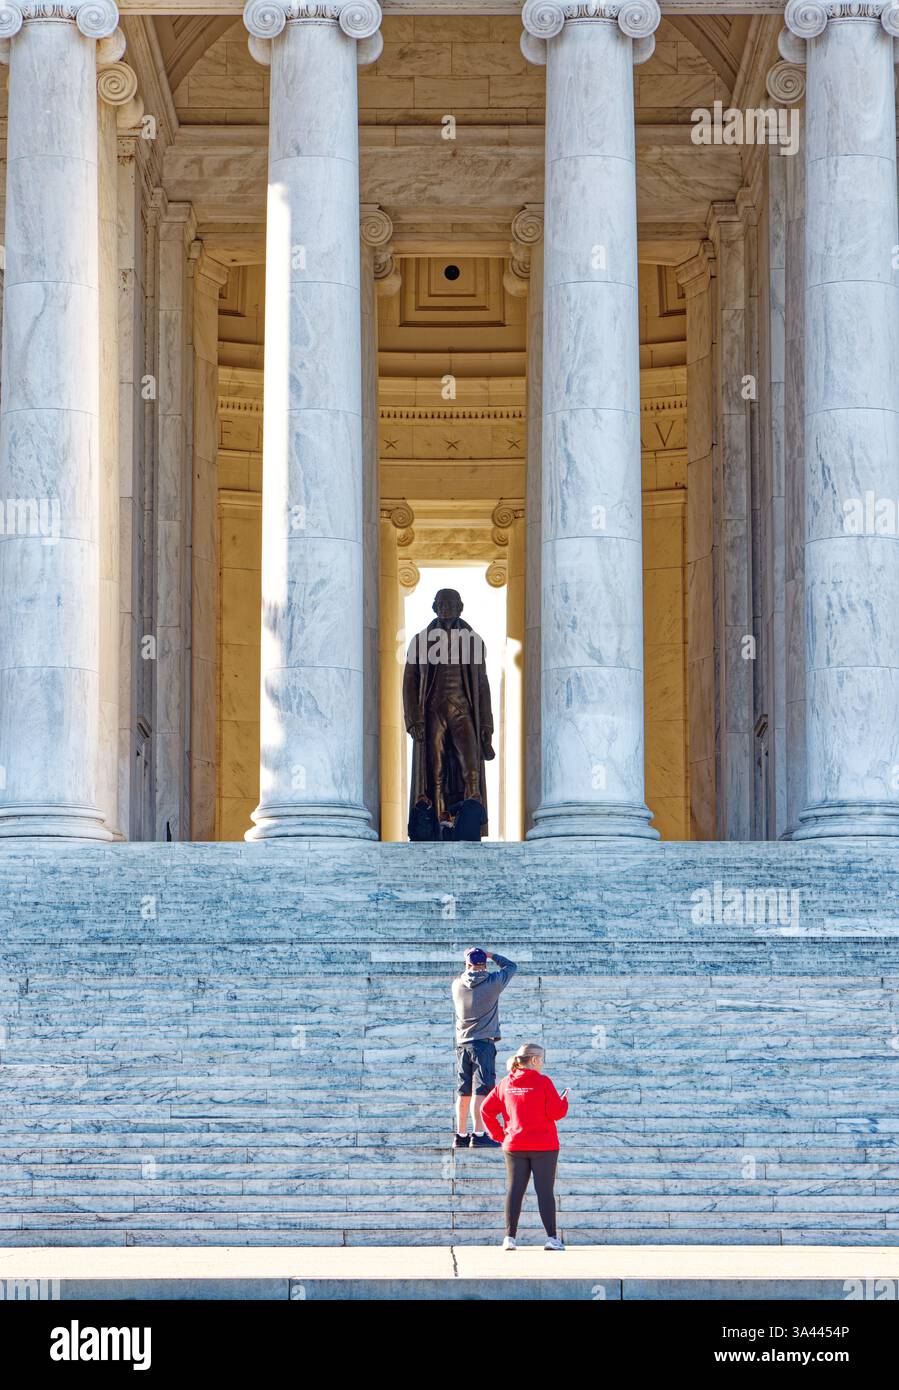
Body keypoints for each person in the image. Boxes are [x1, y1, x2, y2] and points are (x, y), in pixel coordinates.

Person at [403, 588, 495, 840]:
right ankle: (439, 827)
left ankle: (470, 825)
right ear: (434, 607)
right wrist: (413, 719)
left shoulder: (474, 641)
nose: (447, 607)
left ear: (460, 607)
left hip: (463, 709)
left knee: (471, 769)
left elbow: (482, 684)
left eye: (452, 603)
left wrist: (486, 723)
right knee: (436, 772)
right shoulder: (420, 641)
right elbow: (409, 681)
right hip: (433, 710)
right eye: (442, 603)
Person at [481, 1042, 569, 1251]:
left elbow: (486, 1109)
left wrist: (498, 1134)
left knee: (514, 1190)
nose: (543, 1064)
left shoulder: (505, 1083)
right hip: (544, 1145)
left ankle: (509, 1238)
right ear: (534, 1060)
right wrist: (564, 1100)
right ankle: (551, 1238)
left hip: (514, 1144)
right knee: (545, 1191)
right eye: (542, 1060)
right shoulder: (543, 1082)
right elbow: (556, 1112)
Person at [451, 947, 517, 1148]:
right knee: (481, 1089)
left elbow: (466, 975)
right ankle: (479, 1134)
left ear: (467, 964)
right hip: (483, 1043)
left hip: (463, 1043)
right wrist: (491, 955)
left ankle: (461, 1135)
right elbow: (511, 966)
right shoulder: (493, 983)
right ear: (484, 964)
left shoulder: (457, 985)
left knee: (463, 1091)